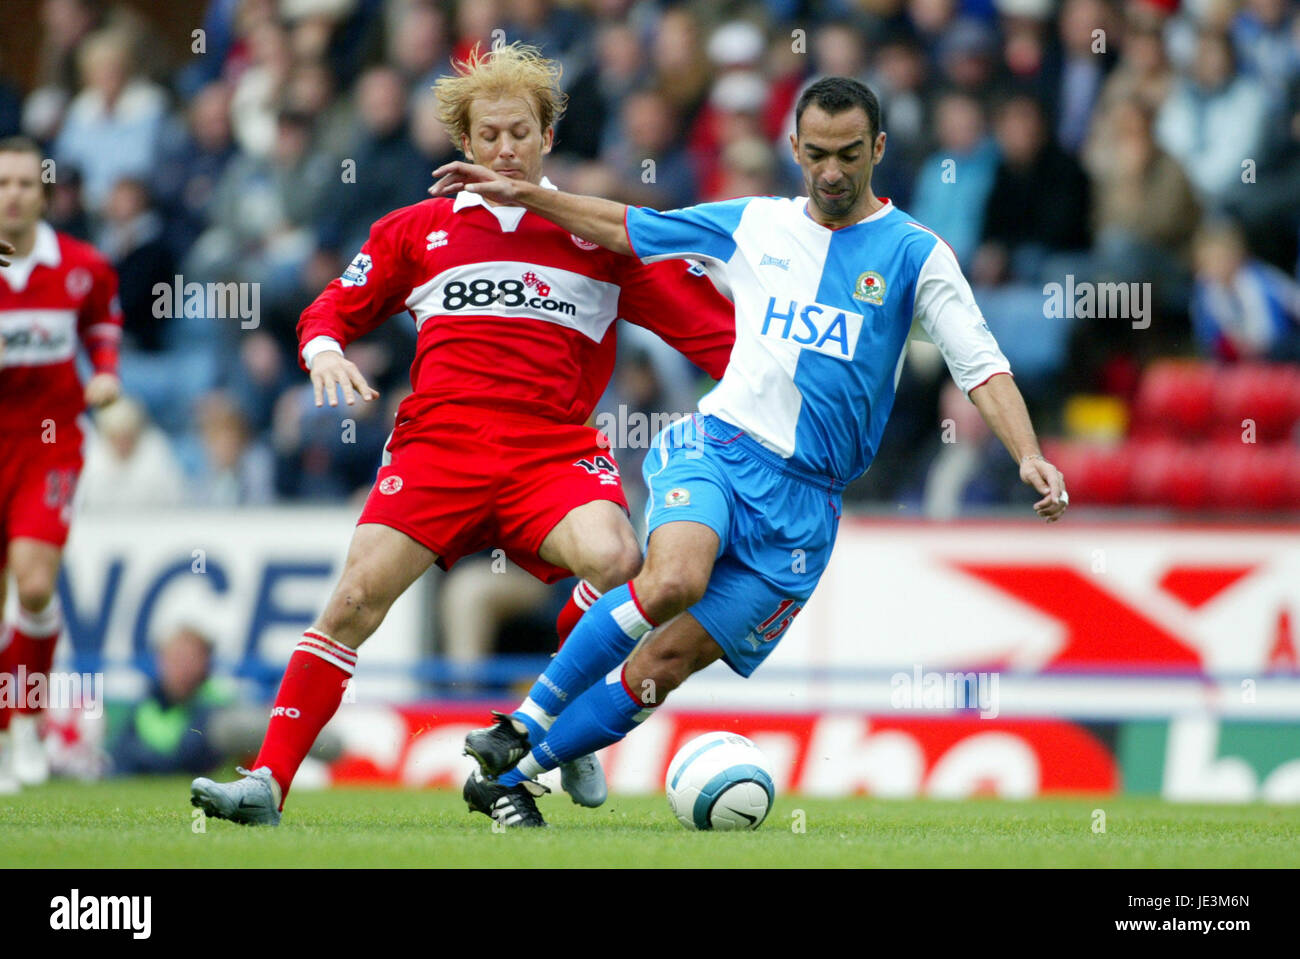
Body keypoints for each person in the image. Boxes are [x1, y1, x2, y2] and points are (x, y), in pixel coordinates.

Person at [433, 76, 1069, 827]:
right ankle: (522, 726)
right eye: (818, 154)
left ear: (880, 151)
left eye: (851, 154)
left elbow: (980, 361)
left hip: (805, 510)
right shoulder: (756, 224)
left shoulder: (916, 255)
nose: (833, 171)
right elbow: (629, 226)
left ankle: (515, 776)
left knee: (659, 667)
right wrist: (529, 196)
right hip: (719, 450)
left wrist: (1027, 451)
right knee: (672, 577)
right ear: (795, 148)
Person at [189, 43, 735, 826]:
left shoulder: (603, 237)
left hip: (552, 450)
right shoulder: (417, 230)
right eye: (489, 136)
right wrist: (323, 350)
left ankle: (559, 711)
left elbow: (722, 338)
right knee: (351, 600)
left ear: (548, 134)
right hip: (437, 447)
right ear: (466, 144)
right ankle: (267, 783)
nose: (505, 149)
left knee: (619, 560)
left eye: (521, 131)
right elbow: (331, 307)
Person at [0, 135, 122, 793]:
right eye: (2, 183)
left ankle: (26, 723)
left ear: (43, 193)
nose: (12, 194)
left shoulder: (81, 266)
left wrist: (104, 376)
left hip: (46, 444)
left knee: (36, 584)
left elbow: (104, 329)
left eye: (23, 183)